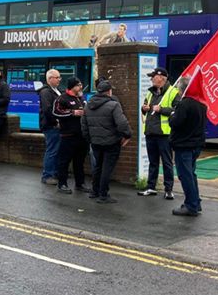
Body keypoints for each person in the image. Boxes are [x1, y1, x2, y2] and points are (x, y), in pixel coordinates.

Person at [81, 80, 132, 204]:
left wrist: (90, 139)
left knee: (98, 166)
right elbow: (122, 124)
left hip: (95, 142)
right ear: (109, 91)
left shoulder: (88, 105)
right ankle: (103, 195)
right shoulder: (114, 105)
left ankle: (94, 191)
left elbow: (84, 125)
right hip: (111, 142)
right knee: (107, 168)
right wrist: (128, 135)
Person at [139, 67, 180, 200]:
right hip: (150, 131)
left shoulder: (173, 92)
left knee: (167, 162)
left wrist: (162, 109)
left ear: (161, 78)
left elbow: (177, 111)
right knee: (153, 162)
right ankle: (151, 187)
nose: (151, 79)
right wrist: (144, 108)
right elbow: (145, 107)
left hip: (164, 134)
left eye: (153, 77)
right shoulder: (150, 93)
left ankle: (169, 189)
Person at [169, 77, 207, 217]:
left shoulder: (184, 104)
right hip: (196, 144)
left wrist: (172, 115)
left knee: (185, 175)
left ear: (182, 89)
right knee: (191, 174)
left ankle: (191, 205)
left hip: (183, 145)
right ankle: (196, 202)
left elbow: (176, 122)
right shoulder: (201, 104)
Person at [53, 77, 91, 194]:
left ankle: (80, 183)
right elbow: (56, 112)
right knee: (64, 161)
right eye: (78, 85)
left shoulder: (81, 98)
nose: (81, 87)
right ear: (72, 86)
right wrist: (72, 112)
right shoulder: (62, 99)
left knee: (79, 161)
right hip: (68, 135)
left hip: (81, 135)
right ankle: (62, 184)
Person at [38, 69, 62, 184]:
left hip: (56, 126)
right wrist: (56, 121)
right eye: (57, 77)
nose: (59, 79)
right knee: (52, 150)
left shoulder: (56, 90)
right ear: (49, 79)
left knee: (56, 150)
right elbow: (47, 109)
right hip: (51, 126)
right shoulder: (46, 92)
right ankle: (47, 176)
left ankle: (55, 173)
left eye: (59, 77)